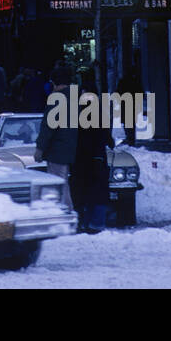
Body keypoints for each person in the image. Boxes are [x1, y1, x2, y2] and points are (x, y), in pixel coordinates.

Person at [70, 71, 112, 233]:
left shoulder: (77, 112)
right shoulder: (99, 111)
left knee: (81, 189)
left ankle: (84, 221)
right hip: (97, 157)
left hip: (81, 157)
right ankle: (96, 222)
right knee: (98, 190)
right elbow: (104, 134)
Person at [34, 65, 77, 208]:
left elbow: (48, 126)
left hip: (57, 150)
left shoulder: (56, 99)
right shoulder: (77, 97)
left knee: (58, 184)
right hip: (73, 148)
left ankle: (64, 213)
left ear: (54, 83)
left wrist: (40, 148)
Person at [115, 61, 145, 146]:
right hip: (133, 104)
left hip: (125, 104)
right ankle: (131, 139)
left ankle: (129, 138)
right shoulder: (136, 81)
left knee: (127, 123)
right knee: (132, 123)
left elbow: (118, 93)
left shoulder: (123, 81)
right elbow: (141, 93)